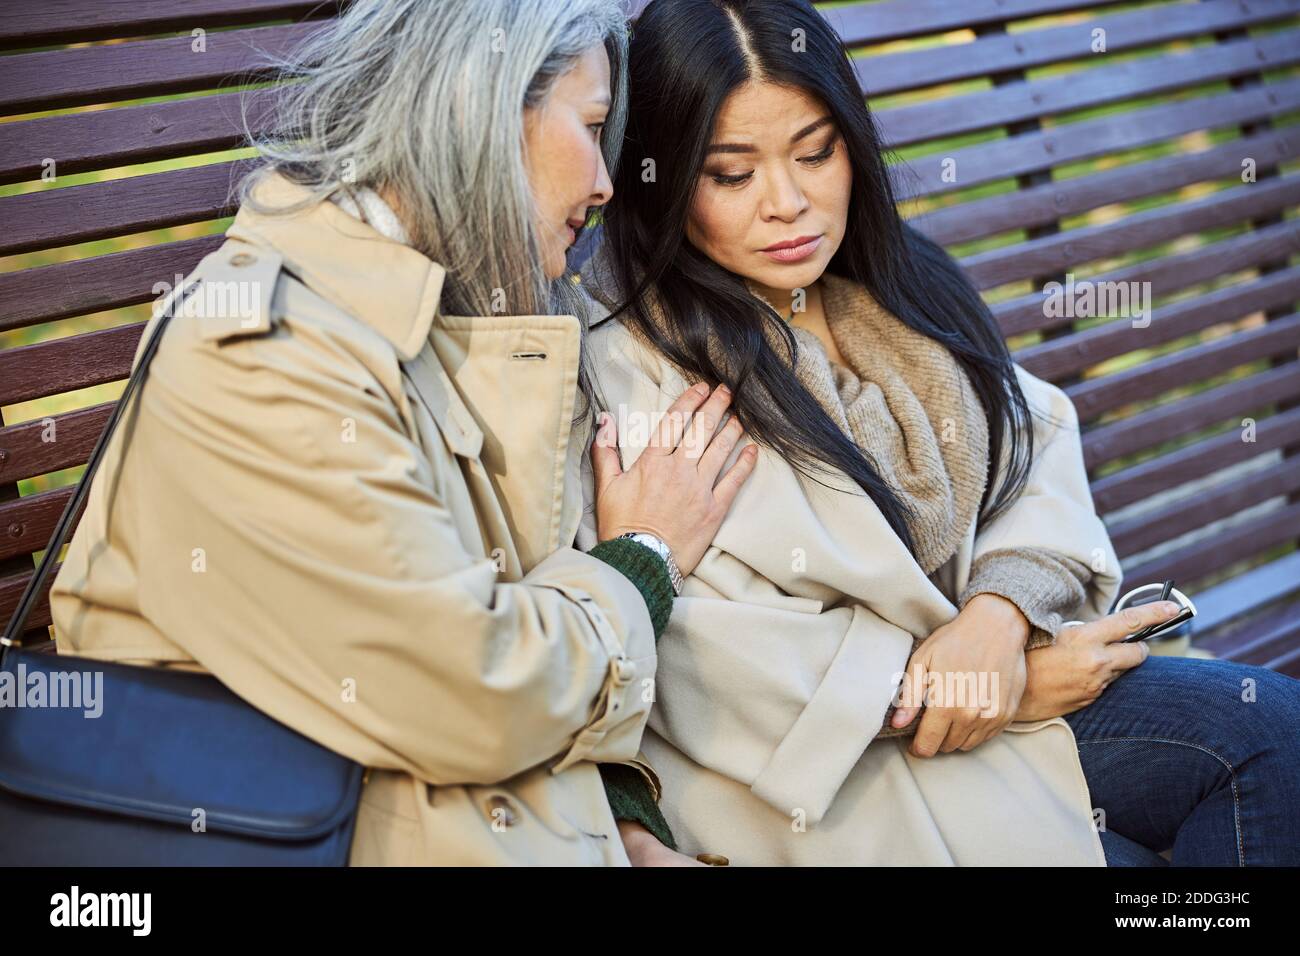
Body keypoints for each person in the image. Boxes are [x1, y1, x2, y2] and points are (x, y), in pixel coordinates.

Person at [578, 0, 1300, 865]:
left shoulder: (897, 288)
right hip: (840, 775)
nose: (789, 202)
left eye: (816, 152)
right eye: (731, 174)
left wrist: (999, 617)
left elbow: (1033, 445)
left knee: (1268, 738)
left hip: (1000, 693)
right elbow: (705, 655)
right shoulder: (634, 365)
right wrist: (986, 687)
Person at [48, 0, 754, 866]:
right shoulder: (260, 354)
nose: (606, 183)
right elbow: (471, 692)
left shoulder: (430, 321)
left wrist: (629, 829)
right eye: (594, 124)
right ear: (483, 105)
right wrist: (642, 558)